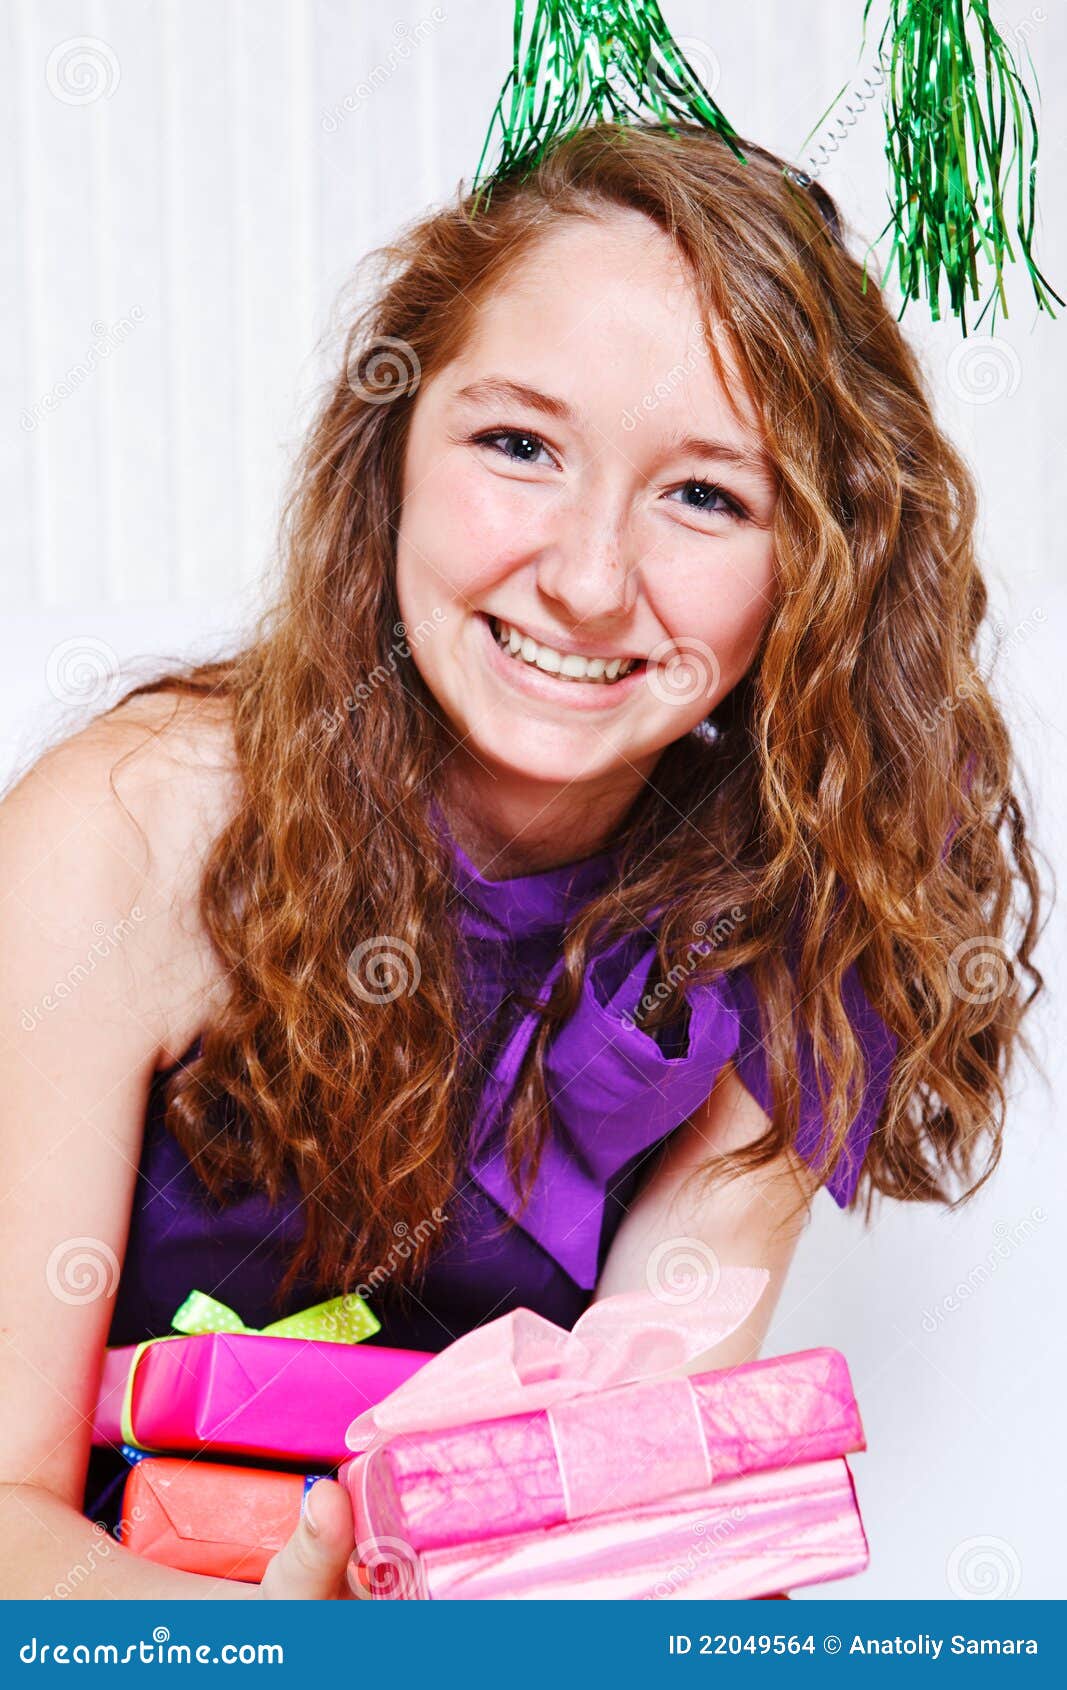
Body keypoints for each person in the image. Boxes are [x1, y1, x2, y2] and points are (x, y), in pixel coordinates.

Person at [0, 122, 1043, 1600]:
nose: (589, 578)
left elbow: (611, 1508)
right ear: (394, 453)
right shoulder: (128, 837)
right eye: (519, 446)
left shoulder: (801, 911)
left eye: (707, 496)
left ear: (814, 570)